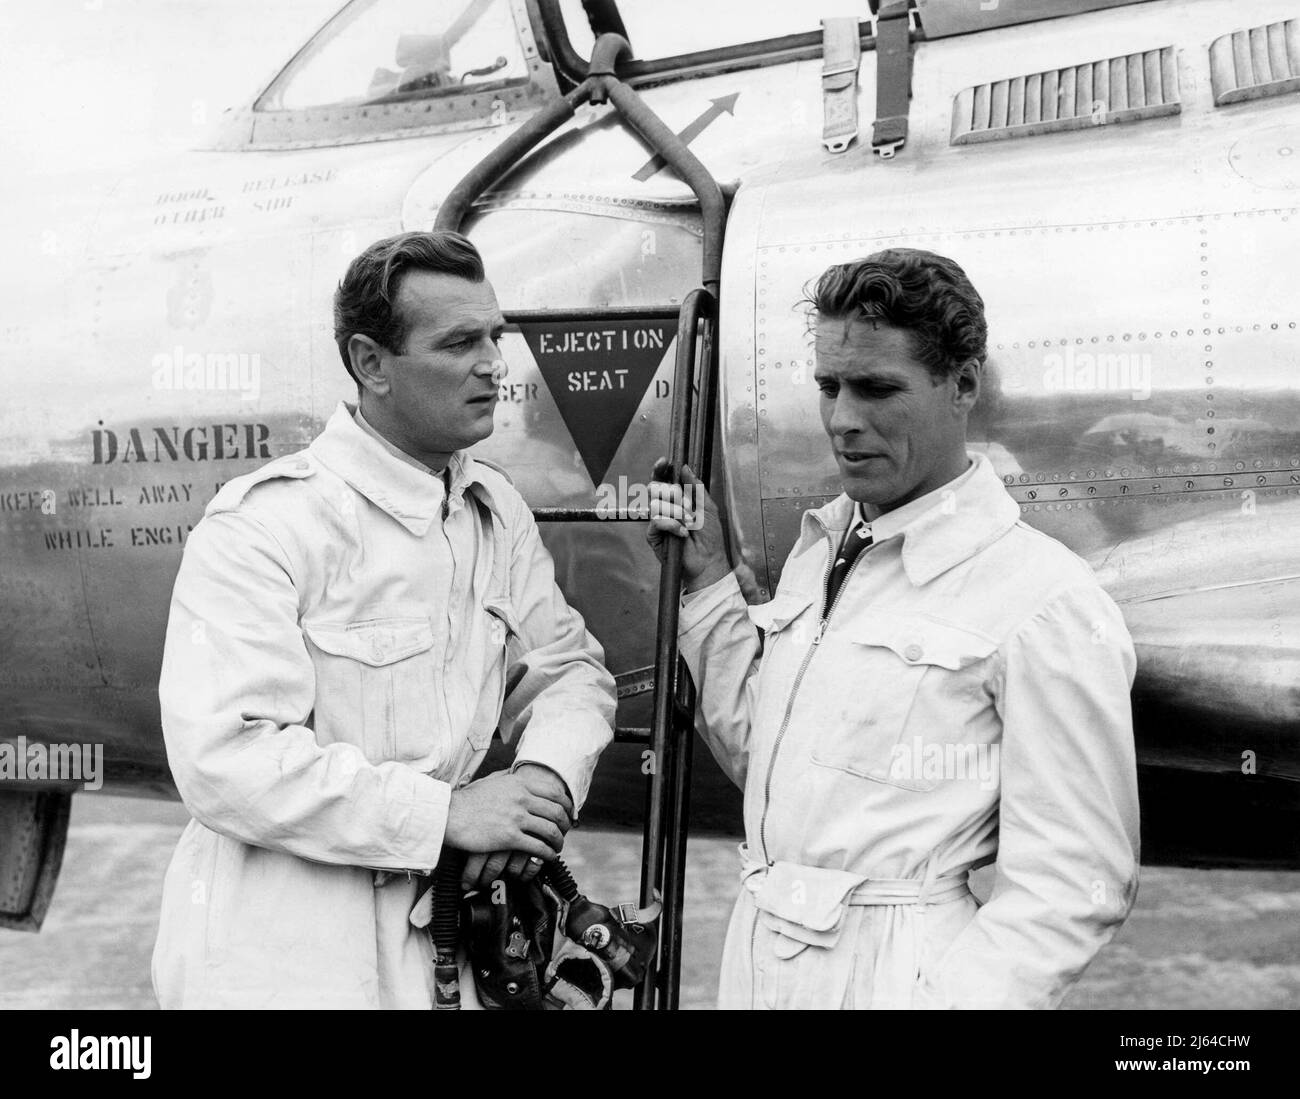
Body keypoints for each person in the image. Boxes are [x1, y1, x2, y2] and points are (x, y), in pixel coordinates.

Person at [647, 248, 1140, 1009]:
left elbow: (1076, 882)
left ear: (964, 384)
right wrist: (709, 587)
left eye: (877, 388)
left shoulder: (1043, 599)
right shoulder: (823, 553)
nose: (843, 420)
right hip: (756, 965)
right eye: (829, 386)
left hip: (900, 975)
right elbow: (774, 764)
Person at [153, 230, 616, 1008]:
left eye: (494, 338)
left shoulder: (492, 511)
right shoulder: (264, 526)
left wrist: (537, 785)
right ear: (372, 363)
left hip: (445, 955)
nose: (494, 365)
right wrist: (449, 814)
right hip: (282, 966)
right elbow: (224, 757)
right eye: (461, 341)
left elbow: (569, 669)